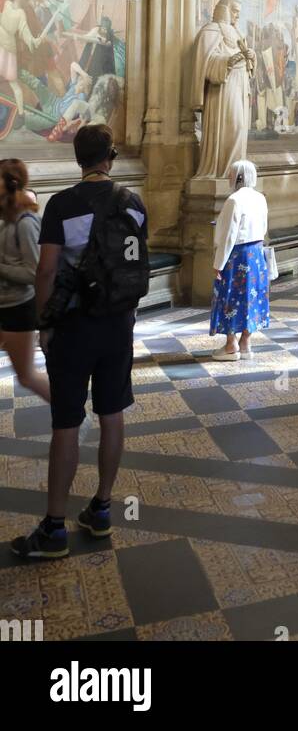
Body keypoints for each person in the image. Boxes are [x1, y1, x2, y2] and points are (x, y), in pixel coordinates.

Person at [11, 124, 147, 559]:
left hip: (73, 328)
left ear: (77, 158)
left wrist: (45, 324)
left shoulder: (63, 205)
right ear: (112, 154)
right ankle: (103, 508)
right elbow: (134, 260)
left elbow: (47, 271)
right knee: (112, 413)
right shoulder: (134, 203)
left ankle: (54, 529)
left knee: (66, 423)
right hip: (119, 323)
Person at [0, 159, 49, 402]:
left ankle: (71, 413)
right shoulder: (5, 218)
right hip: (3, 303)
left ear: (10, 182)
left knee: (26, 376)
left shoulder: (25, 222)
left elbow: (34, 272)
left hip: (18, 307)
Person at [210, 160, 270, 360]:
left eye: (231, 174)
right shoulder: (260, 198)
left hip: (237, 256)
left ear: (237, 177)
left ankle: (230, 344)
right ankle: (246, 341)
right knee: (252, 298)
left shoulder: (234, 200)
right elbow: (263, 228)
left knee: (229, 297)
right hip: (256, 254)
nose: (229, 177)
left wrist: (218, 264)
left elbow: (228, 236)